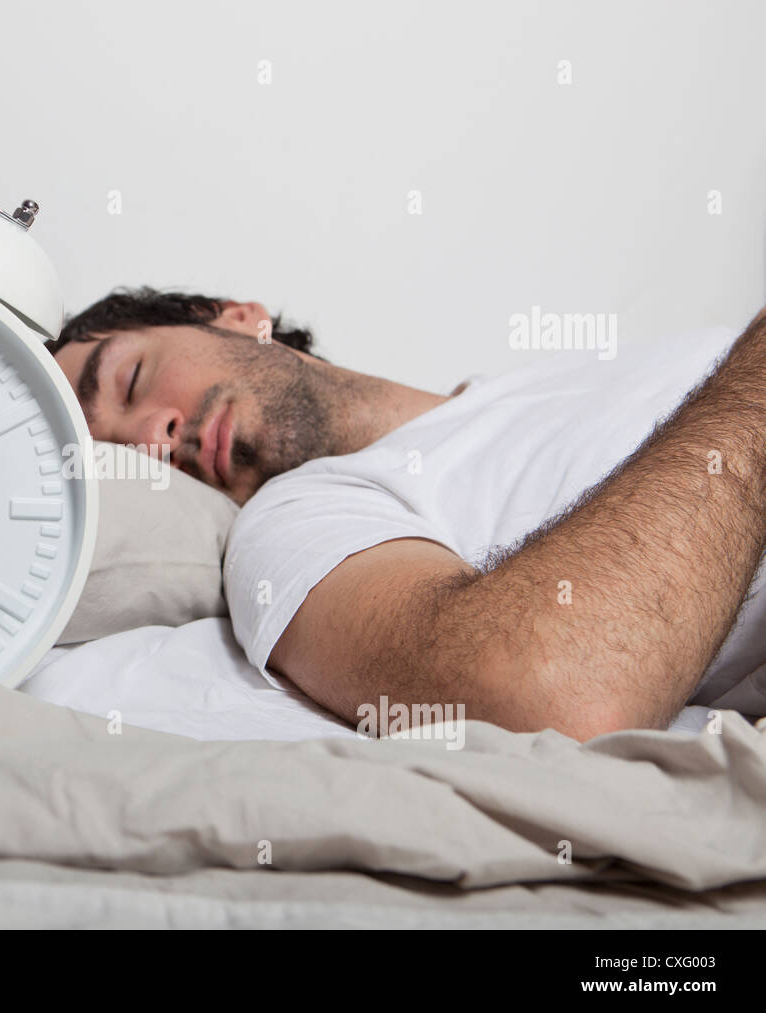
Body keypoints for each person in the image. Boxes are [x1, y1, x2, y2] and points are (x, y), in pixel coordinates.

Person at [46, 287, 766, 739]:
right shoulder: (298, 521)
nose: (149, 438)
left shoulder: (553, 381)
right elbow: (547, 694)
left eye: (132, 378)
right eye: (121, 455)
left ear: (236, 317)